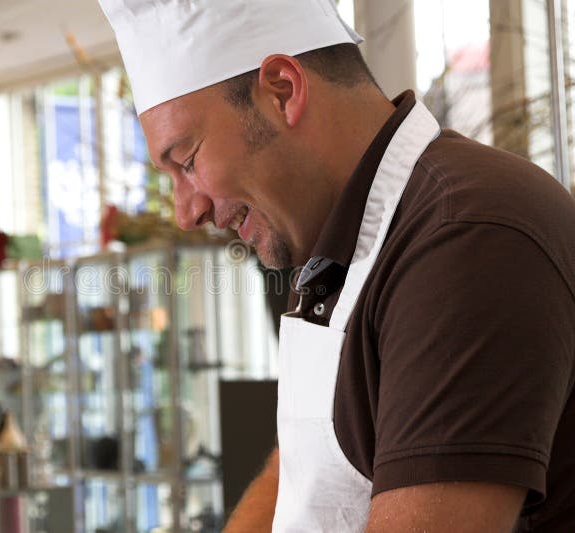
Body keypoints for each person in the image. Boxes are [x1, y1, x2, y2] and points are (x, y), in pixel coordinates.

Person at [97, 0, 575, 531]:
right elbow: (294, 470)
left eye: (186, 162)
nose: (187, 213)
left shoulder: (464, 236)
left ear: (282, 89)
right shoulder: (336, 242)